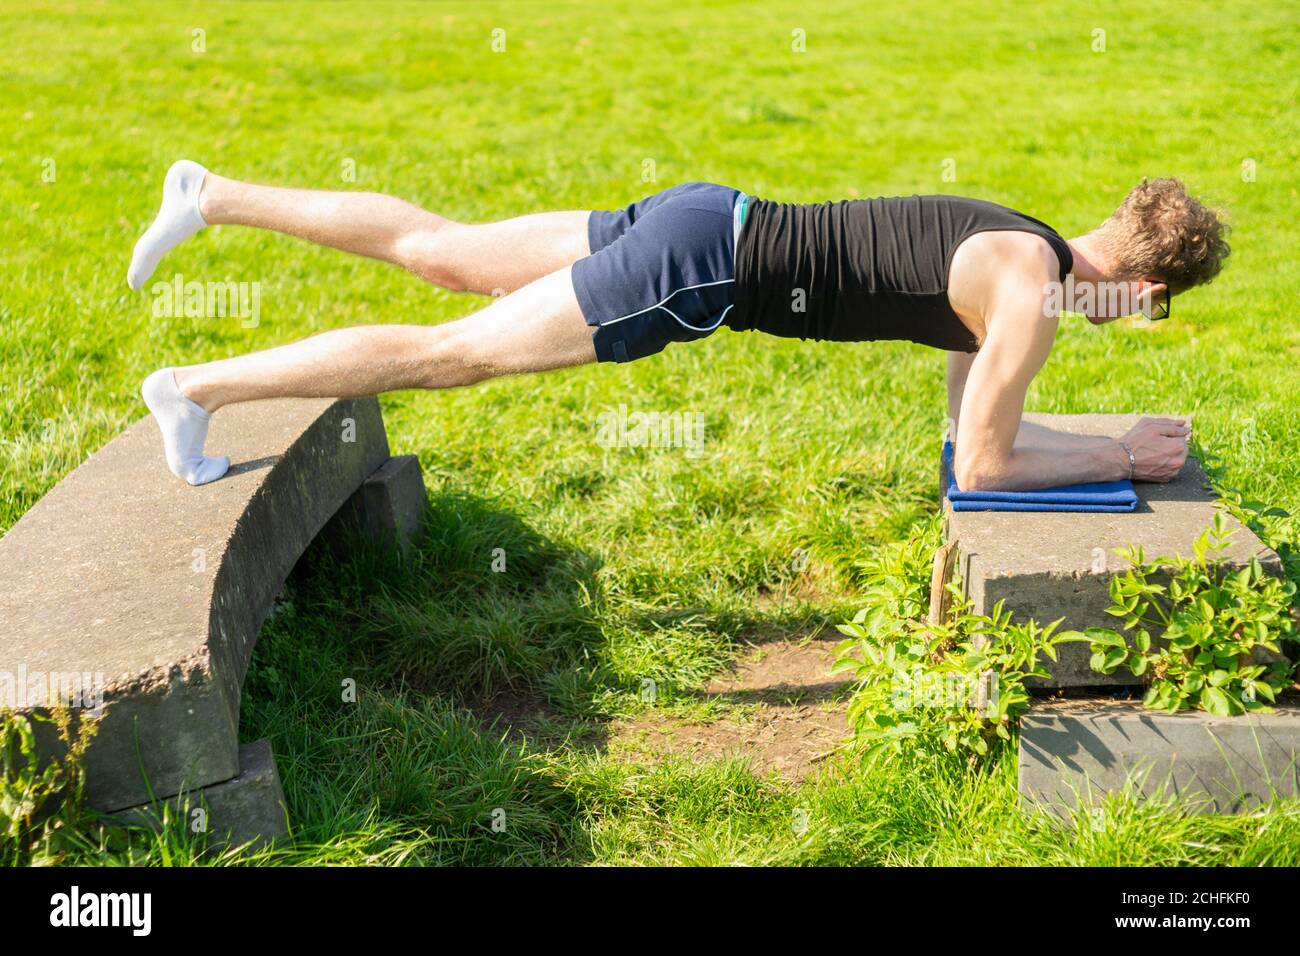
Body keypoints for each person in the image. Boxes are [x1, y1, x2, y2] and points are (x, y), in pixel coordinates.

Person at [129, 162, 1227, 489]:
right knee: (449, 355)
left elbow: (963, 425)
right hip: (703, 270)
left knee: (445, 250)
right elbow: (985, 467)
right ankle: (198, 389)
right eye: (1147, 315)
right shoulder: (1032, 296)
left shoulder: (1017, 241)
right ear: (1142, 289)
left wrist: (1019, 434)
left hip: (708, 211)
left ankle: (210, 194)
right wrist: (1116, 451)